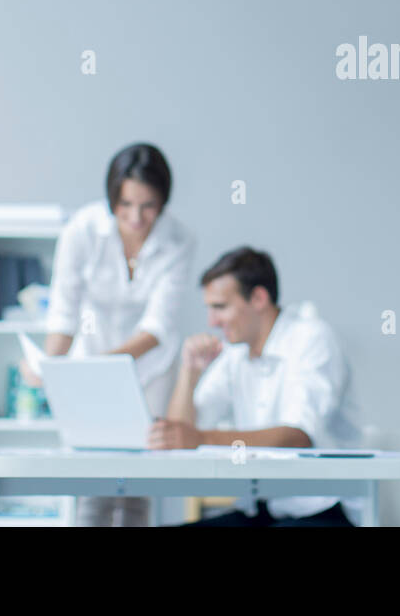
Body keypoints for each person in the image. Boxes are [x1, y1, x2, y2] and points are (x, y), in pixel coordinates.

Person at [30, 142, 196, 526]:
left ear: (163, 201)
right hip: (93, 355)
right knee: (95, 481)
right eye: (126, 205)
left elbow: (158, 325)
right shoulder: (82, 230)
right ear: (112, 199)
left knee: (138, 486)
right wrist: (53, 367)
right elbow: (64, 311)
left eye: (148, 206)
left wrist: (104, 368)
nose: (136, 217)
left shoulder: (179, 240)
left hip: (150, 368)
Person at [147, 246, 364, 527]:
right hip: (260, 510)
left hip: (323, 511)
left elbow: (297, 436)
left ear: (258, 298)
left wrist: (202, 438)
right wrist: (189, 371)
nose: (212, 322)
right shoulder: (235, 354)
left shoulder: (311, 339)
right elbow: (180, 437)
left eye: (220, 307)